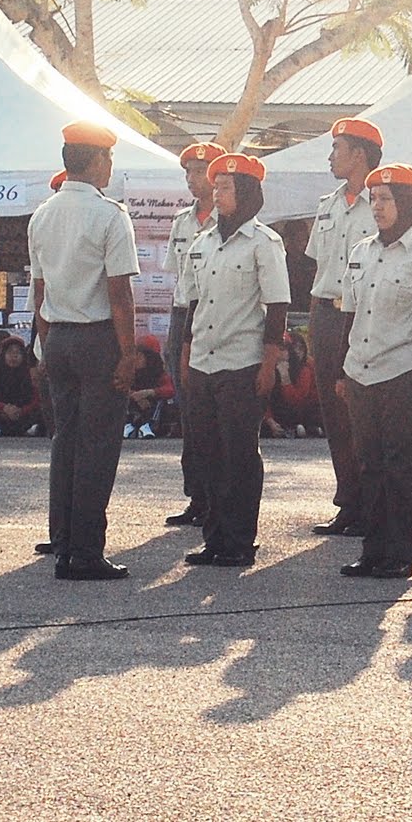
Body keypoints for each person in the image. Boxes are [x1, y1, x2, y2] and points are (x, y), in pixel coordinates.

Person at [27, 121, 140, 581]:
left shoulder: (42, 215)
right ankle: (86, 551)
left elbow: (39, 292)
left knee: (65, 442)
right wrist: (129, 353)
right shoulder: (110, 215)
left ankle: (63, 542)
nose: (110, 167)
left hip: (58, 335)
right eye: (108, 159)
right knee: (96, 447)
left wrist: (44, 342)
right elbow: (120, 295)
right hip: (96, 338)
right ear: (97, 161)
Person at [336, 164, 412, 580]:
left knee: (401, 463)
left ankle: (400, 552)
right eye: (374, 200)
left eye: (386, 200)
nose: (378, 208)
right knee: (368, 463)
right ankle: (373, 548)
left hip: (402, 370)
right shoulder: (361, 252)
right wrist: (340, 371)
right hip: (360, 370)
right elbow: (349, 315)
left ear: (406, 204)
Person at [179, 152, 290, 569]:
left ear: (245, 193)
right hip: (204, 360)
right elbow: (194, 301)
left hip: (242, 361)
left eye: (226, 187)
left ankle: (241, 540)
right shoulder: (202, 241)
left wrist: (268, 363)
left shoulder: (264, 242)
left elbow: (277, 306)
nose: (218, 193)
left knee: (239, 454)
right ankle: (214, 538)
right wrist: (187, 349)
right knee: (207, 452)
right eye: (217, 186)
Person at [304, 118, 384, 536]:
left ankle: (374, 503)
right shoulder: (327, 204)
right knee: (334, 413)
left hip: (367, 317)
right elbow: (319, 267)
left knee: (365, 413)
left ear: (360, 154)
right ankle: (348, 500)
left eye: (337, 148)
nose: (330, 156)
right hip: (329, 313)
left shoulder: (385, 201)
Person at [163, 141, 228, 526]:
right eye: (187, 171)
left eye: (199, 170)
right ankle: (197, 496)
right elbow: (178, 279)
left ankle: (221, 497)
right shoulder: (181, 222)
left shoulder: (231, 216)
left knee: (219, 414)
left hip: (219, 317)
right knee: (190, 410)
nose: (192, 178)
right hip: (183, 314)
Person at [0, 334, 43, 437]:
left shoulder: (29, 373)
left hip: (23, 414)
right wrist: (3, 408)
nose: (14, 356)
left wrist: (21, 411)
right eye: (10, 352)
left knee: (41, 412)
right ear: (3, 354)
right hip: (0, 413)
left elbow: (37, 399)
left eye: (18, 352)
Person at [271, 333, 322, 438]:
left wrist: (285, 378)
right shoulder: (266, 367)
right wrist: (269, 421)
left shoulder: (304, 368)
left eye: (285, 349)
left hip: (303, 408)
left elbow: (297, 400)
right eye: (279, 349)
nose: (298, 352)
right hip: (273, 412)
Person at [123, 334, 174, 438]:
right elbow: (116, 387)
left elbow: (170, 390)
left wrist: (149, 392)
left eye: (140, 355)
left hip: (150, 411)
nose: (136, 358)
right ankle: (127, 425)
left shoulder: (159, 374)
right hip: (131, 410)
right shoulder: (129, 372)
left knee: (162, 401)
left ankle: (148, 426)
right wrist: (135, 396)